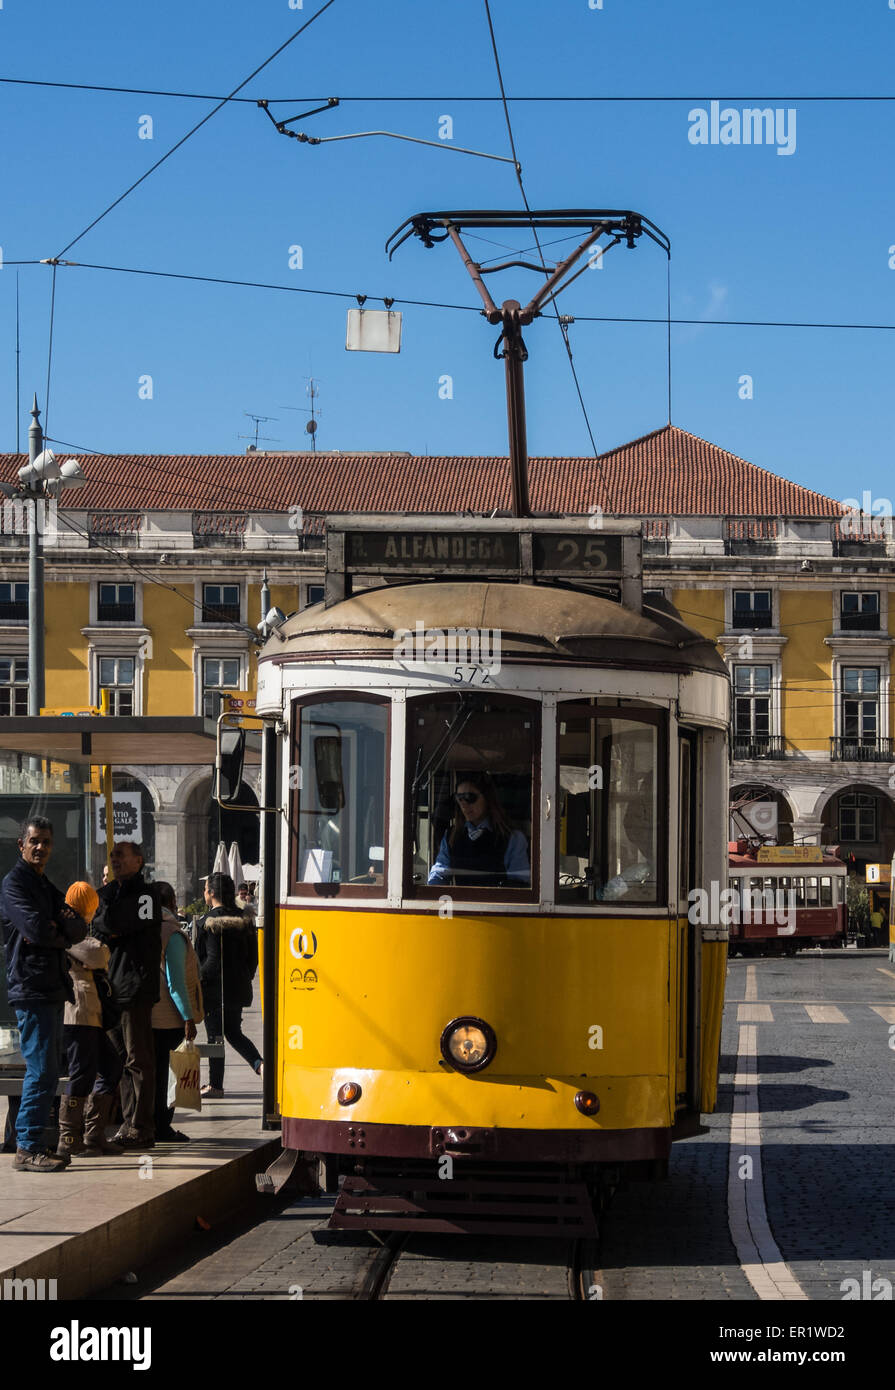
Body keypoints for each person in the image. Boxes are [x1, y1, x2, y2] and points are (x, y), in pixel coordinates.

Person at [0, 818, 87, 1172]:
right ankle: (28, 1147)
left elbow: (79, 926)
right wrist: (56, 926)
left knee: (49, 1072)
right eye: (35, 841)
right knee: (40, 1071)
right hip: (32, 987)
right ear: (21, 844)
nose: (41, 847)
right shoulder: (14, 884)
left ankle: (32, 1143)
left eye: (46, 842)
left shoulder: (43, 884)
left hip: (50, 987)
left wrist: (59, 928)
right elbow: (35, 928)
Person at [93, 841, 162, 1149]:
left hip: (135, 987)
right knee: (118, 1059)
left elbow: (119, 922)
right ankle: (128, 1122)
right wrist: (112, 923)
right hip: (111, 986)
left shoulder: (148, 895)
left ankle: (143, 1127)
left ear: (139, 860)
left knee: (138, 1059)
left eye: (122, 854)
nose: (115, 859)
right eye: (113, 855)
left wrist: (112, 924)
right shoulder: (107, 894)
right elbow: (98, 925)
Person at [57, 881, 125, 1159]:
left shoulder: (76, 928)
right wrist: (96, 954)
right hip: (77, 1011)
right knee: (82, 1074)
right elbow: (98, 954)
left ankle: (94, 1134)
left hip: (90, 1012)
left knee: (110, 1066)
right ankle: (68, 1137)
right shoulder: (68, 926)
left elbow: (95, 956)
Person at [197, 872, 261, 1097]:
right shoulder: (245, 919)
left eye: (206, 889)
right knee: (233, 1031)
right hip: (238, 987)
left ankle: (215, 1085)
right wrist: (244, 976)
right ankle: (260, 1065)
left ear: (212, 893)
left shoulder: (209, 922)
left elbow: (211, 960)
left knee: (215, 1036)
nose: (204, 893)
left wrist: (198, 978)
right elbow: (253, 957)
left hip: (214, 990)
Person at [151, 882, 203, 1143]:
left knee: (152, 1073)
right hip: (167, 1017)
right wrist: (188, 1017)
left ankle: (147, 1123)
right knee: (166, 1075)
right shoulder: (171, 932)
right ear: (171, 902)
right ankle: (162, 1127)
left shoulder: (145, 927)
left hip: (145, 1013)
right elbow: (176, 982)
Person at [427, 774, 529, 888]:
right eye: (459, 798)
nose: (464, 804)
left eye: (470, 797)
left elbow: (519, 884)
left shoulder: (512, 838)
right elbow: (439, 873)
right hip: (462, 904)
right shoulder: (451, 836)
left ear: (487, 798)